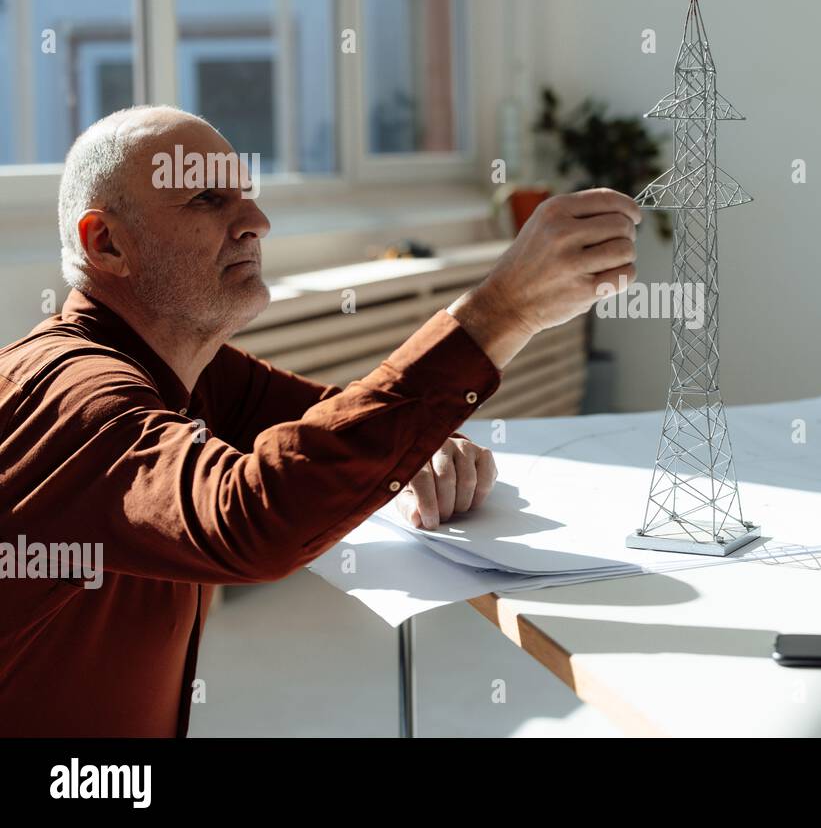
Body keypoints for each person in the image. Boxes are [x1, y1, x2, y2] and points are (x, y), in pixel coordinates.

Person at [0, 105, 639, 736]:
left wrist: (425, 445)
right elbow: (252, 518)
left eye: (246, 195)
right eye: (206, 200)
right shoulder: (74, 396)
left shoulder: (197, 370)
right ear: (106, 243)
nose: (256, 222)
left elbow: (338, 421)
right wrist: (498, 313)